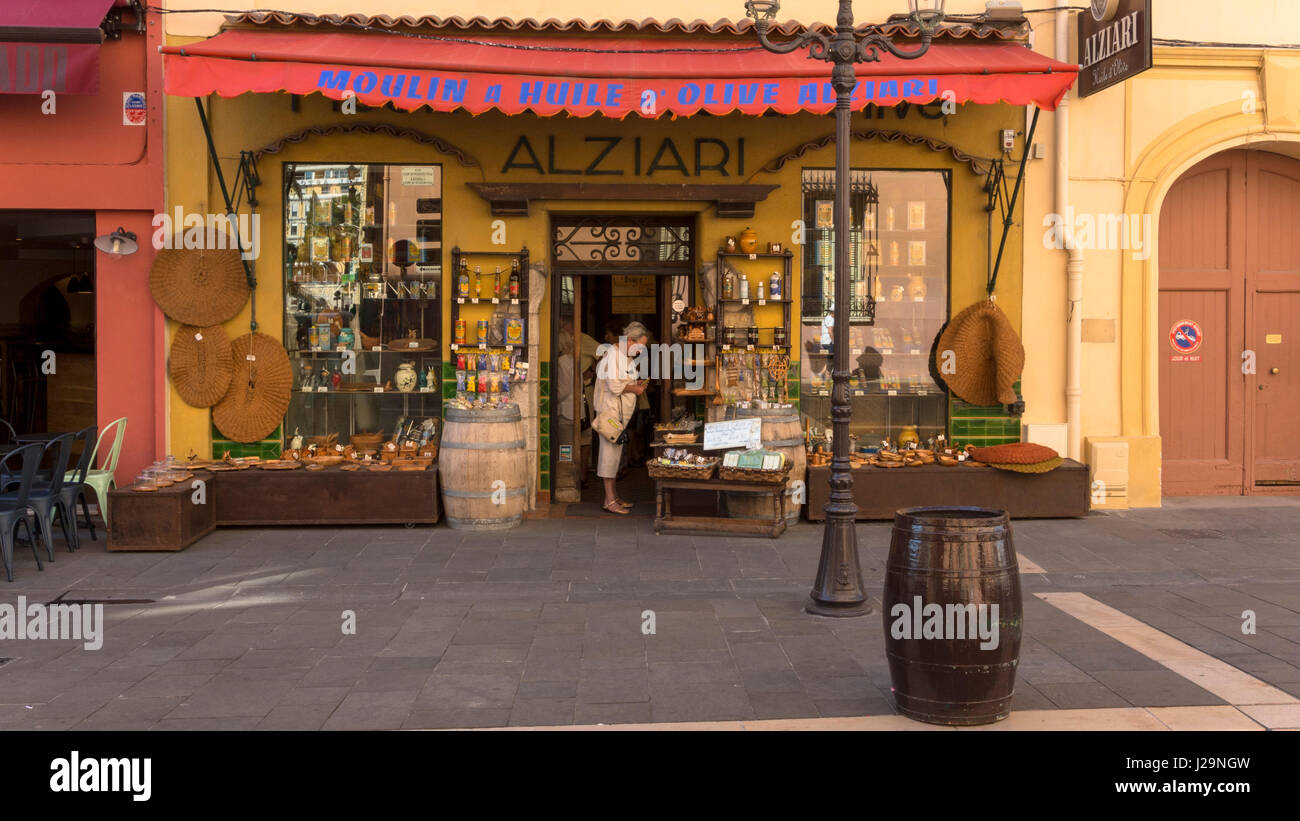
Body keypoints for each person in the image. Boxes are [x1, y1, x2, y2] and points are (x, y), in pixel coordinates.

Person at [592, 321, 648, 515]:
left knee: (615, 457)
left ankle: (614, 497)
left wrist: (635, 383)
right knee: (608, 456)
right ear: (631, 340)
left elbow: (623, 381)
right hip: (610, 414)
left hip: (618, 414)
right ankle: (609, 501)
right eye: (640, 346)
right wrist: (636, 388)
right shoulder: (613, 356)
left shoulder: (624, 356)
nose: (641, 351)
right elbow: (615, 387)